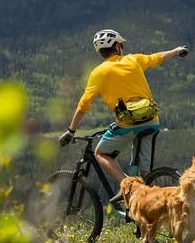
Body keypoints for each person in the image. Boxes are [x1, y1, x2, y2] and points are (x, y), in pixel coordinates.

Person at [60, 29, 188, 185]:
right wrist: (176, 51)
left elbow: (83, 105)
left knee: (100, 153)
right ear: (117, 46)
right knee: (145, 174)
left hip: (128, 124)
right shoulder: (134, 60)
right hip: (151, 121)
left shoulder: (98, 73)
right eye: (121, 44)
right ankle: (152, 199)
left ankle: (128, 186)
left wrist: (71, 130)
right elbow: (157, 58)